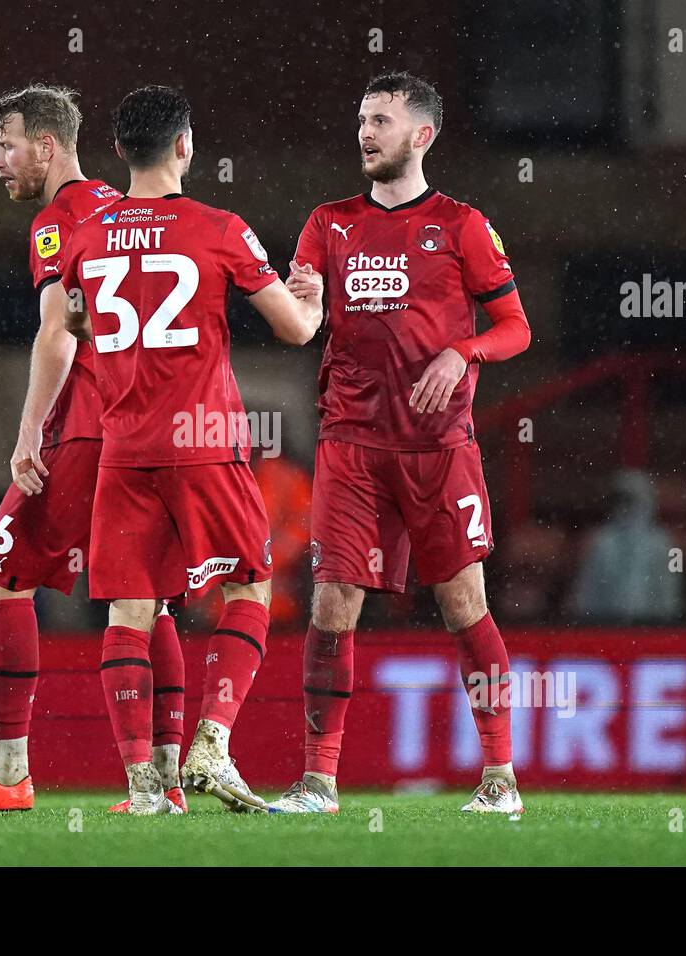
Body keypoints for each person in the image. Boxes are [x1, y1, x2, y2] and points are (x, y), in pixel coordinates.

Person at [0, 84, 186, 813]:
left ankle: (8, 773)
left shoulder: (57, 220)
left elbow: (57, 333)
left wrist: (30, 429)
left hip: (89, 427)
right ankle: (165, 778)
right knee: (147, 600)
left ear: (47, 145)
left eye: (6, 145)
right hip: (156, 427)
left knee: (0, 580)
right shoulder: (124, 207)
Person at [269, 72, 532, 816]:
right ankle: (319, 781)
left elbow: (517, 327)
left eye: (380, 120)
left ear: (422, 135)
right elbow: (307, 317)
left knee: (462, 604)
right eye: (360, 120)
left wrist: (463, 353)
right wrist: (303, 304)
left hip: (438, 448)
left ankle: (500, 777)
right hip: (350, 445)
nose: (365, 133)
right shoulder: (329, 222)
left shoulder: (461, 225)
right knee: (330, 605)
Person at [57, 85, 323, 813]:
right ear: (186, 146)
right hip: (203, 442)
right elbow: (296, 330)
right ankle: (212, 741)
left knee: (129, 613)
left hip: (124, 447)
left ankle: (143, 783)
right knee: (249, 589)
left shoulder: (86, 233)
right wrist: (314, 297)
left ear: (117, 152)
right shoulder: (220, 229)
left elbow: (77, 322)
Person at [570, 469, 683, 622]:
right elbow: (587, 590)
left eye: (631, 501)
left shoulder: (668, 544)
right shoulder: (600, 542)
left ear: (647, 500)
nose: (625, 508)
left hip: (653, 627)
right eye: (621, 501)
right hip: (605, 627)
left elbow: (672, 587)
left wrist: (668, 624)